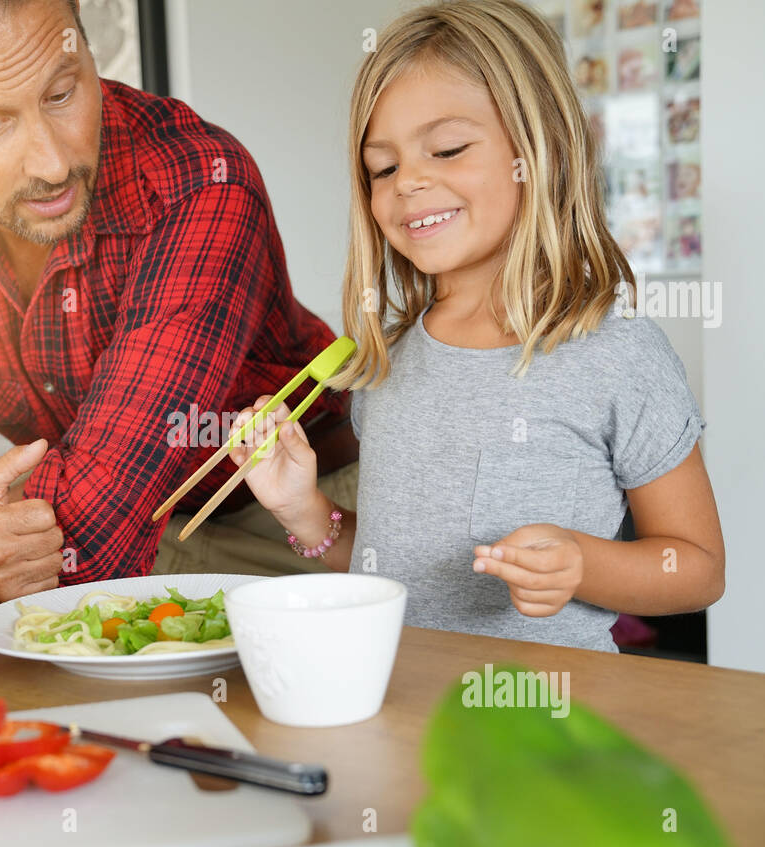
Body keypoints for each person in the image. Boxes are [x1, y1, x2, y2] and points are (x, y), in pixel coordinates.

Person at [0, 0, 357, 606]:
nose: (52, 163)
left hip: (293, 518)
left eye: (61, 93)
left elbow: (100, 520)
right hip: (89, 536)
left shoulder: (197, 179)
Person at [227, 0, 724, 652]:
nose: (409, 182)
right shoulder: (388, 362)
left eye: (448, 148)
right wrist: (302, 510)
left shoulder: (617, 353)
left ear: (538, 147)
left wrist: (581, 563)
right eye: (384, 167)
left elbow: (698, 567)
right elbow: (390, 576)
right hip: (401, 718)